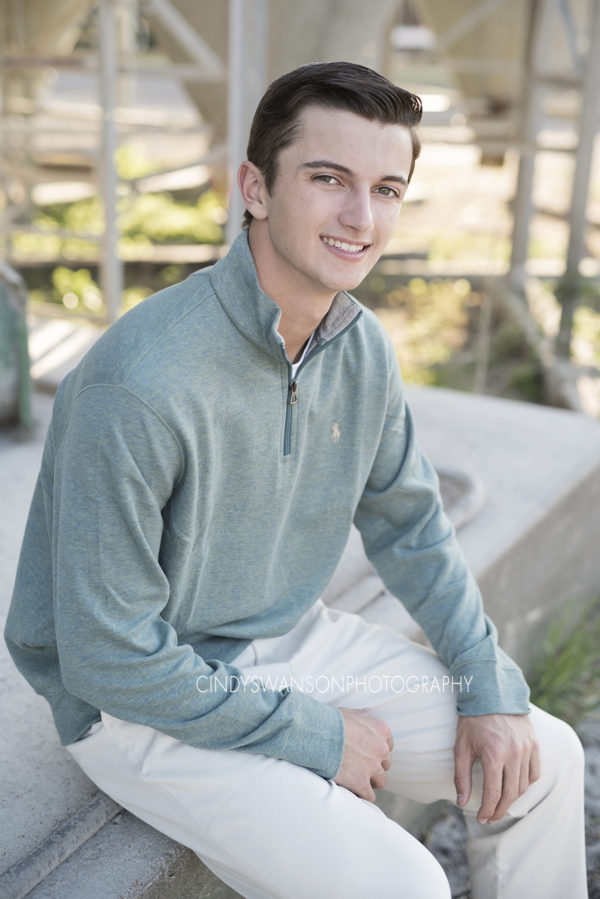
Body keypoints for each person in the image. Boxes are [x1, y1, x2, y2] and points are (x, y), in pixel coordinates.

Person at [5, 61, 587, 898]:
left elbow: (413, 527)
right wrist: (312, 734)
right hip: (140, 703)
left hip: (289, 639)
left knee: (545, 756)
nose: (361, 216)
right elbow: (106, 657)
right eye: (329, 179)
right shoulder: (139, 383)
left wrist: (485, 679)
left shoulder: (359, 346)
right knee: (405, 885)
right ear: (256, 187)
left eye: (387, 188)